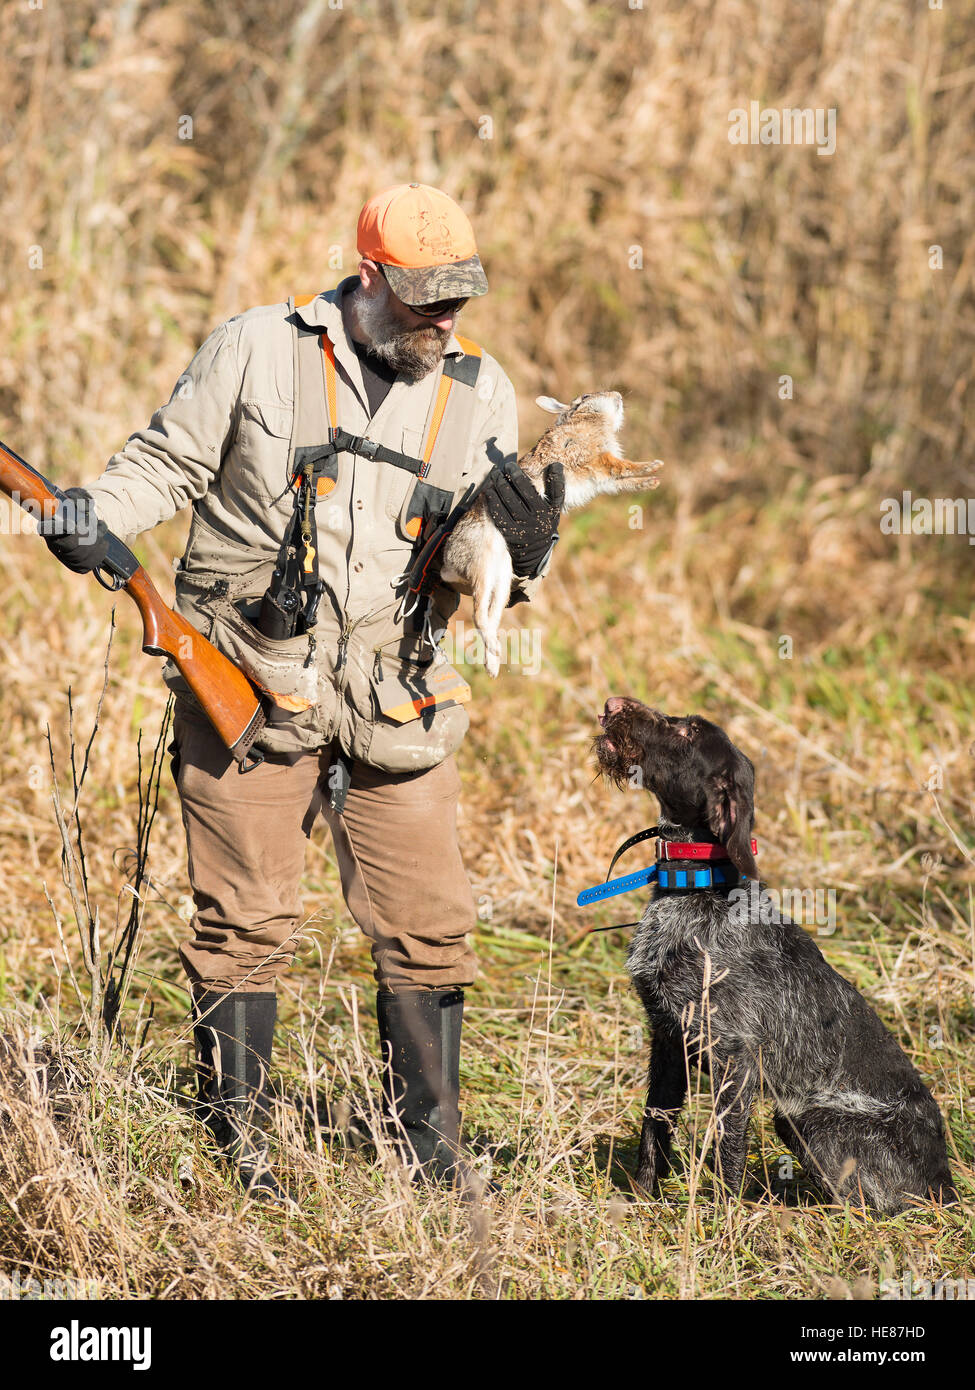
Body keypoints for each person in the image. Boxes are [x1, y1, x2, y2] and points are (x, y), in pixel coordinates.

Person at [43, 183, 564, 1198]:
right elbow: (165, 463)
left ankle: (430, 1148)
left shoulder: (481, 390)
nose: (447, 319)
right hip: (250, 675)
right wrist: (89, 512)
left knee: (431, 921)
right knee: (245, 920)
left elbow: (480, 555)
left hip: (394, 694)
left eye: (461, 298)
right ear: (367, 276)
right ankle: (238, 1143)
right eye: (426, 298)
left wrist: (527, 552)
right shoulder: (253, 348)